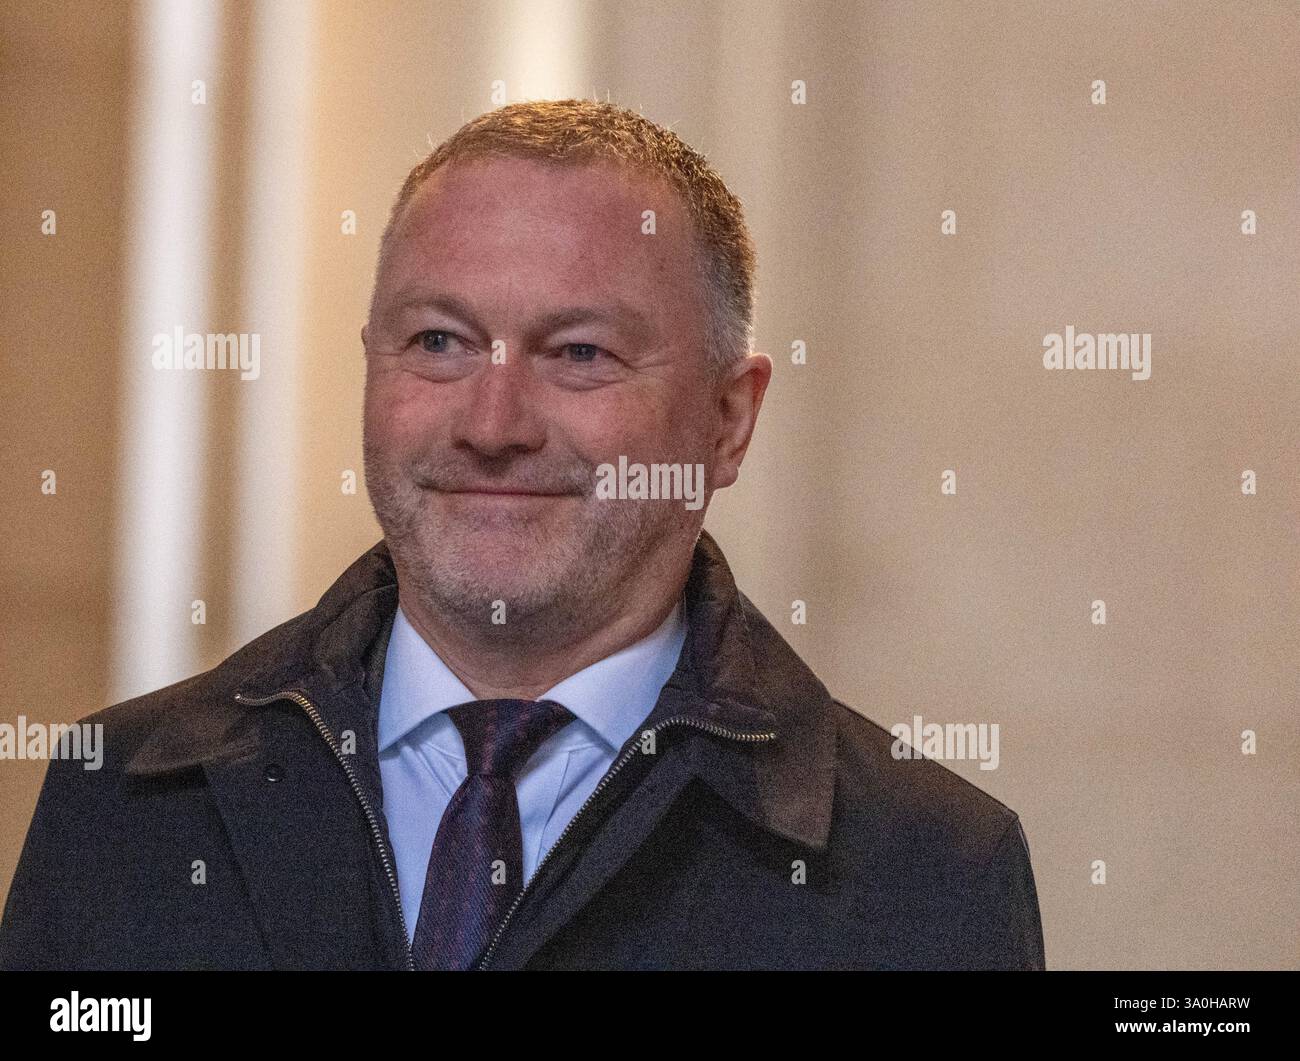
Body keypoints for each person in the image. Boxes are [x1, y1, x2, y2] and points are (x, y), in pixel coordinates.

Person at [0, 99, 1044, 970]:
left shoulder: (924, 870)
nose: (491, 424)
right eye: (439, 341)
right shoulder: (123, 797)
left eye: (579, 353)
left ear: (728, 419)